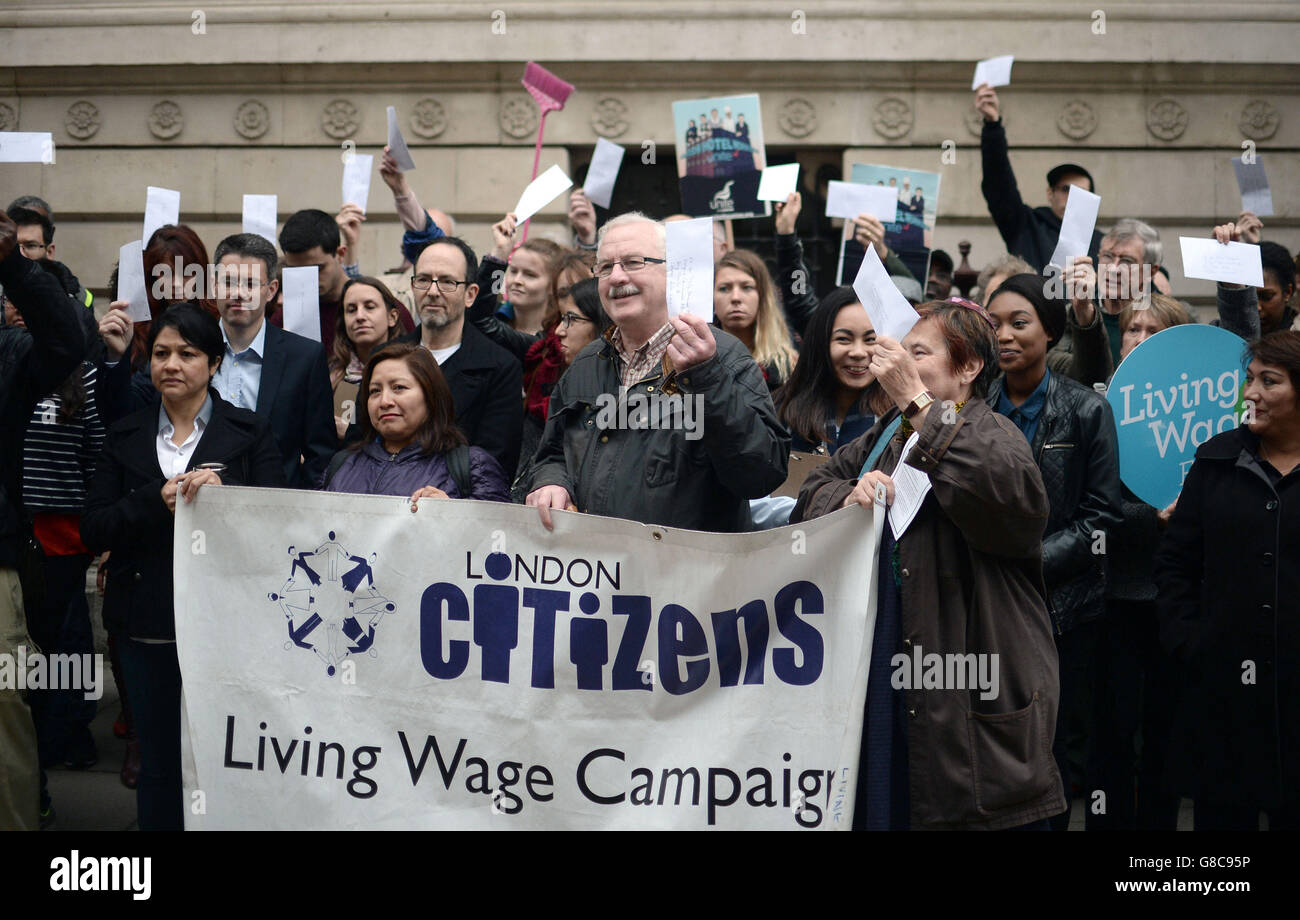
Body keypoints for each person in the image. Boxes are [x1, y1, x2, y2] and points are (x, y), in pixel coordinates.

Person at [791, 300, 1064, 830]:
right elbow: (811, 490)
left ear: (968, 368)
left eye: (918, 352)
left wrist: (917, 401)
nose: (896, 360)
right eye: (900, 348)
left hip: (964, 680)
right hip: (890, 663)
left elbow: (1013, 504)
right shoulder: (888, 436)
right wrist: (850, 493)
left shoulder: (994, 432)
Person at [81, 303, 285, 831]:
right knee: (158, 762)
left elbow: (279, 520)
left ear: (214, 363)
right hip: (144, 623)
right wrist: (154, 499)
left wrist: (226, 494)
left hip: (227, 625)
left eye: (187, 354)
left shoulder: (250, 431)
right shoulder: (123, 433)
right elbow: (94, 528)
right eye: (161, 353)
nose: (171, 364)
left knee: (225, 757)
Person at [526, 212, 788, 532]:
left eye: (634, 262)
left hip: (684, 573)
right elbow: (553, 452)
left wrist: (707, 377)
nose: (617, 277)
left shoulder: (724, 357)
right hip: (597, 570)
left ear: (672, 272)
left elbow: (760, 474)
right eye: (606, 267)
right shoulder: (586, 363)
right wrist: (552, 482)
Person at [983, 273, 1124, 831]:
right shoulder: (973, 406)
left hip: (1066, 609)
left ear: (1051, 332)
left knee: (1059, 747)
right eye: (994, 324)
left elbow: (1102, 518)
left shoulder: (1087, 410)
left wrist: (1029, 566)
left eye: (1019, 323)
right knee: (997, 739)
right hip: (989, 607)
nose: (1004, 336)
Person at [1155, 331, 1300, 830]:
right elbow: (1176, 564)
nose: (1251, 393)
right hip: (1223, 689)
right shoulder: (1217, 459)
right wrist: (1189, 642)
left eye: (1270, 381)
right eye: (1250, 379)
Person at [99, 233, 339, 488]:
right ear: (213, 286)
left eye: (250, 284)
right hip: (185, 503)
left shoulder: (304, 358)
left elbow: (320, 456)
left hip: (270, 510)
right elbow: (121, 417)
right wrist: (116, 357)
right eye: (228, 282)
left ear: (271, 291)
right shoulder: (181, 349)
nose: (238, 293)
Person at [1089, 292, 1191, 831]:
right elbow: (1093, 506)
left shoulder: (1209, 413)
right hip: (1117, 599)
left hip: (1178, 603)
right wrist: (1151, 518)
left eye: (1154, 331)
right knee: (1113, 730)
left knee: (1167, 735)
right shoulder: (1101, 407)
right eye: (1132, 328)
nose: (1140, 339)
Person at [0, 211, 86, 831]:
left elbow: (65, 343)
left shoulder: (11, 352)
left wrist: (13, 263)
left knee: (7, 705)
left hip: (2, 559)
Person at [13, 287, 106, 813]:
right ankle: (36, 751)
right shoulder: (10, 367)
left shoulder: (84, 376)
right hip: (16, 531)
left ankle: (66, 734)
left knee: (67, 642)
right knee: (21, 652)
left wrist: (97, 531)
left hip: (66, 534)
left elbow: (95, 455)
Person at [466, 247, 604, 500]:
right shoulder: (543, 349)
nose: (576, 297)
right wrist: (496, 261)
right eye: (563, 292)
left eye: (584, 287)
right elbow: (479, 318)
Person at [389, 235, 524, 475]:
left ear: (471, 294)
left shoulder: (500, 368)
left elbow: (495, 466)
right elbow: (359, 448)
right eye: (423, 280)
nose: (432, 291)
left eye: (447, 282)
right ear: (412, 287)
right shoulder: (385, 360)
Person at [321, 344, 509, 503]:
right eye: (375, 391)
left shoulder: (473, 467)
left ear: (430, 396)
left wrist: (454, 516)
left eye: (399, 388)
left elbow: (501, 538)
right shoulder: (341, 465)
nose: (385, 401)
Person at [975, 84, 1103, 272]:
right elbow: (999, 184)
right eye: (1067, 189)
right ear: (1050, 193)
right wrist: (993, 125)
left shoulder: (1104, 246)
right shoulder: (1026, 226)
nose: (1074, 198)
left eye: (1082, 193)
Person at [777, 287, 888, 454]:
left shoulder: (900, 419)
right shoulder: (780, 412)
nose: (858, 352)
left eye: (870, 340)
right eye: (843, 339)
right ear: (821, 343)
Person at [1052, 219, 1163, 371]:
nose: (1113, 269)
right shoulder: (1071, 314)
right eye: (1107, 256)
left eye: (1127, 261)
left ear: (1151, 271)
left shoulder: (1167, 321)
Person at [329, 275, 405, 441]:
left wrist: (351, 432)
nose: (360, 316)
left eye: (369, 307)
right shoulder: (335, 375)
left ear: (392, 317)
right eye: (351, 310)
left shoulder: (412, 366)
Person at [713, 249, 798, 392]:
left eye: (747, 287)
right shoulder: (698, 360)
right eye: (724, 288)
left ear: (762, 297)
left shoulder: (788, 364)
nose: (735, 297)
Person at [1212, 213, 1296, 340]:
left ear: (1288, 292)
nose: (1257, 307)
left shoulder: (1295, 339)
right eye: (1249, 295)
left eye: (1266, 297)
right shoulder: (1219, 335)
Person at [5, 202, 93, 310]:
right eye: (14, 247)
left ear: (50, 251)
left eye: (31, 246)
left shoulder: (77, 295)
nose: (21, 254)